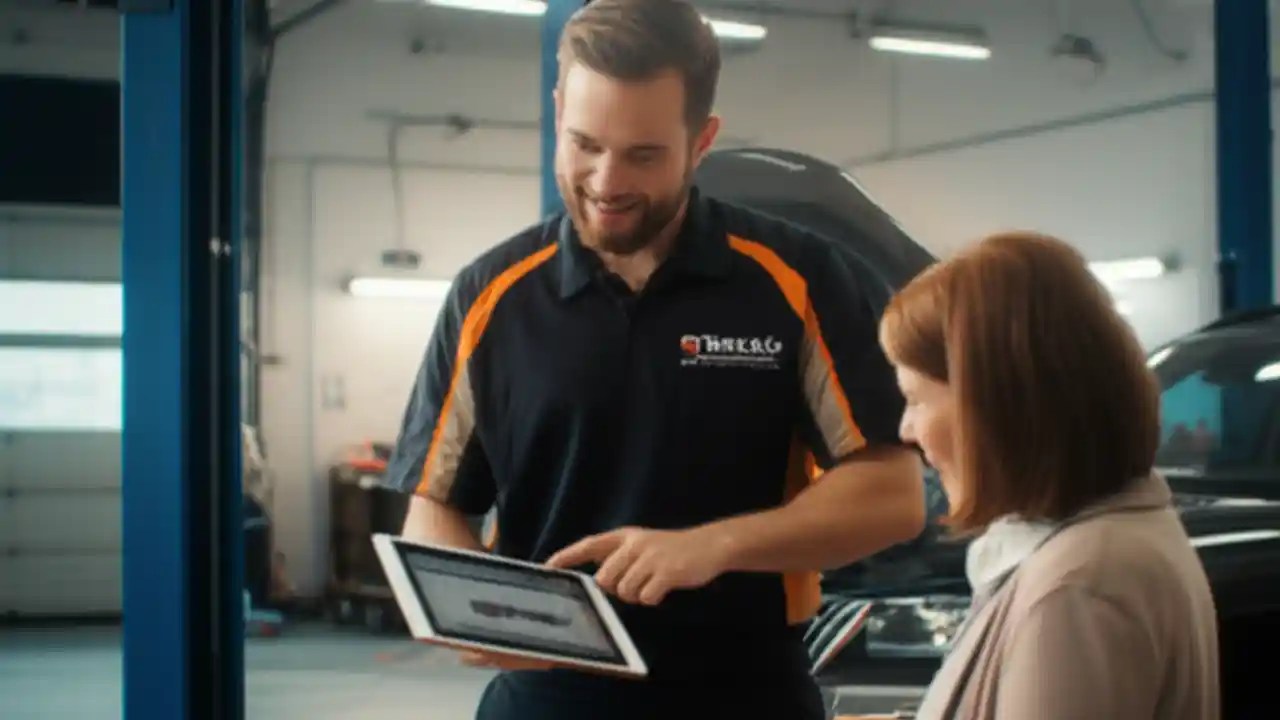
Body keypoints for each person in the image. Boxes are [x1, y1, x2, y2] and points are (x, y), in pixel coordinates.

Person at [380, 0, 925, 717]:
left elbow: (893, 494)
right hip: (550, 695)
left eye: (643, 154)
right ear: (557, 109)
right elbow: (436, 509)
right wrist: (479, 610)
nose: (606, 182)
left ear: (703, 141)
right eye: (584, 145)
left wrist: (715, 546)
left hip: (744, 690)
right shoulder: (491, 297)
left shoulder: (798, 281)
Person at [878, 231, 1219, 720]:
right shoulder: (1103, 543)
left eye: (915, 399)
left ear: (996, 406)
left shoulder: (1078, 587)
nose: (906, 429)